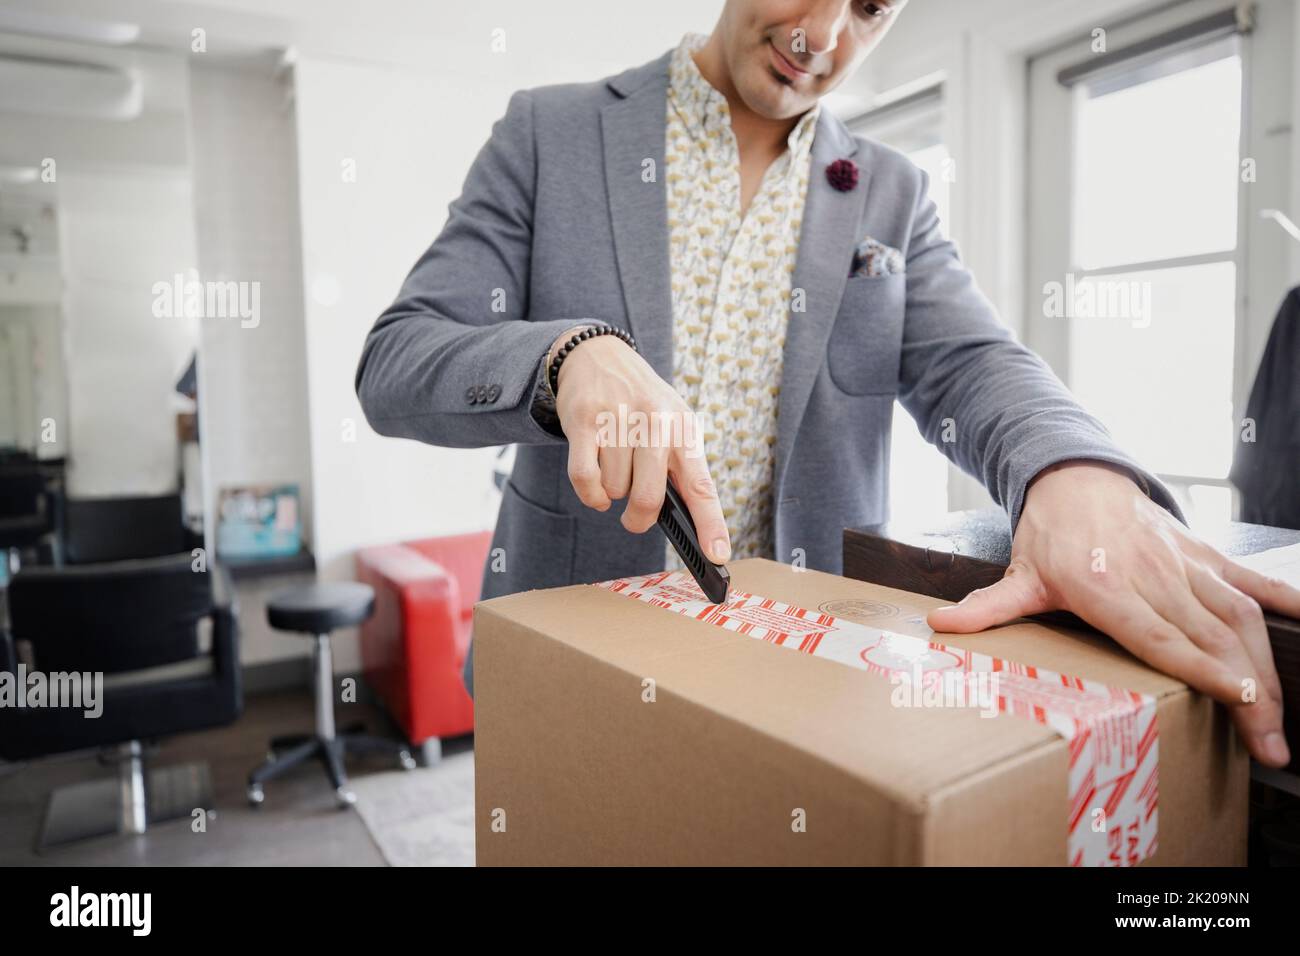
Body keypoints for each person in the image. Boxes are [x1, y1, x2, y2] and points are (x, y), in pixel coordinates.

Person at [355, 0, 1297, 767]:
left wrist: (1073, 475)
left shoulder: (892, 191)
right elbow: (396, 360)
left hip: (809, 697)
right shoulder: (547, 131)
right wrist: (565, 357)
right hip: (574, 681)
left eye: (872, 7)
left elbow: (973, 362)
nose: (824, 37)